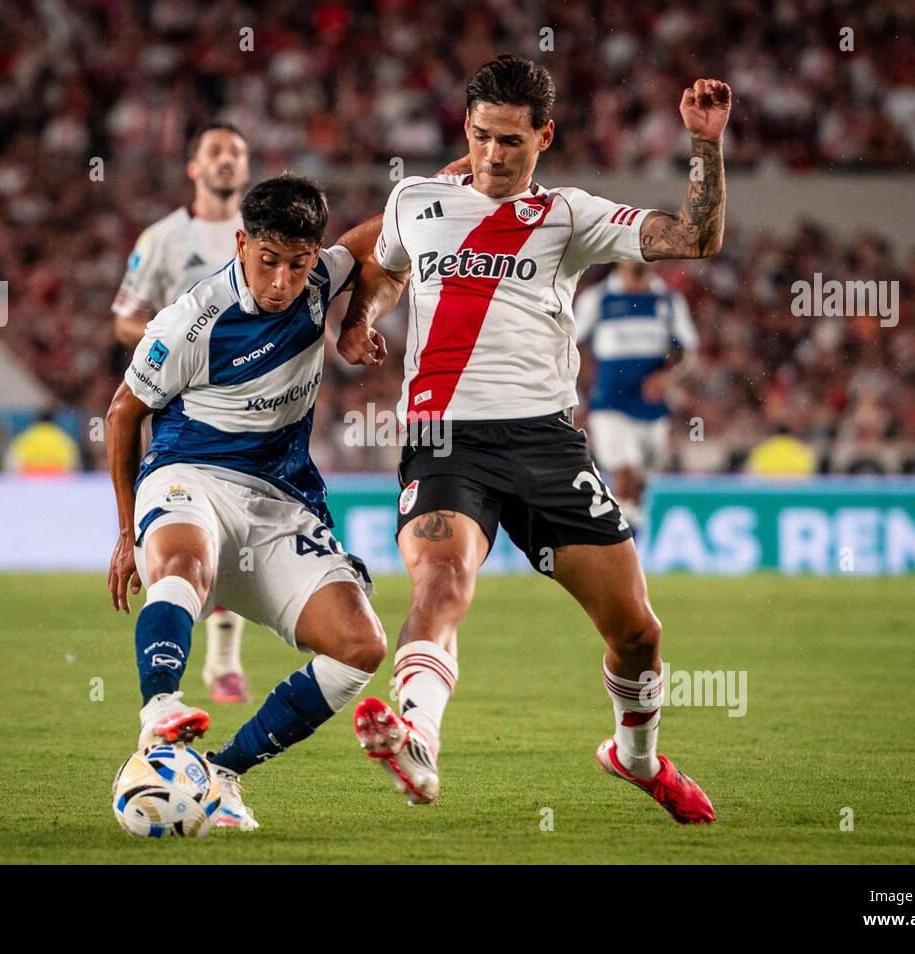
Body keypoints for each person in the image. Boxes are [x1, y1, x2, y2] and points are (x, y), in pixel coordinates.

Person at [338, 55, 731, 824]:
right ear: (465, 129)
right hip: (443, 439)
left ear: (544, 137)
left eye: (511, 141)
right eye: (482, 137)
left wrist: (705, 146)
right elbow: (384, 271)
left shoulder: (570, 216)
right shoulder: (414, 200)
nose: (493, 155)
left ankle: (636, 755)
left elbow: (694, 238)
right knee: (441, 582)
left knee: (638, 633)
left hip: (546, 447)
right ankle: (415, 735)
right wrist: (360, 319)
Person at [105, 175, 386, 830]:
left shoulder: (320, 282)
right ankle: (160, 712)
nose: (283, 281)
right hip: (188, 473)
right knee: (181, 565)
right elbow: (123, 416)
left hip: (280, 502)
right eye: (268, 261)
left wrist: (357, 318)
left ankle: (223, 773)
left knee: (359, 645)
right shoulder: (190, 322)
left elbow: (385, 229)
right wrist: (125, 536)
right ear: (241, 243)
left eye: (299, 263)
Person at [111, 122, 255, 703]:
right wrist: (169, 333)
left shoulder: (260, 234)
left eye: (237, 154)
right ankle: (213, 662)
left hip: (254, 403)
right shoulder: (164, 239)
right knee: (196, 530)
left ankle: (221, 660)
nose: (227, 161)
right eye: (216, 152)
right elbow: (124, 315)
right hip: (183, 409)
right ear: (194, 167)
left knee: (239, 528)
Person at [574, 261, 698, 533]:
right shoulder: (599, 298)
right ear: (618, 257)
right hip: (609, 402)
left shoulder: (668, 301)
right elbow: (570, 343)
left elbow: (688, 353)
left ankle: (630, 536)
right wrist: (579, 391)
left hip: (651, 407)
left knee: (640, 481)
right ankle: (619, 539)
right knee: (624, 469)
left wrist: (667, 377)